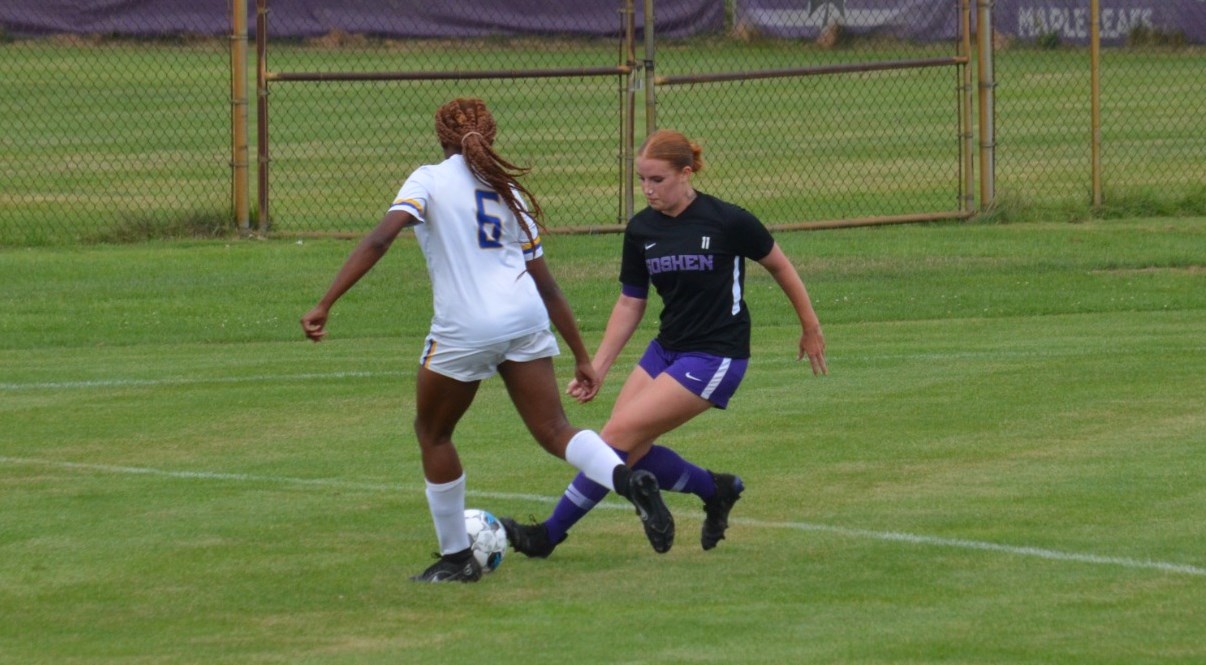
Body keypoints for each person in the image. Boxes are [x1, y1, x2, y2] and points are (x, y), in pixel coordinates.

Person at [300, 98, 674, 583]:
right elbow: (547, 283)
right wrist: (582, 356)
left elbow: (379, 240)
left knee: (433, 433)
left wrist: (326, 302)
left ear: (441, 139)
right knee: (556, 430)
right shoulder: (509, 189)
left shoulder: (428, 180)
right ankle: (628, 480)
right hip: (525, 316)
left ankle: (457, 558)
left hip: (467, 325)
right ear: (491, 138)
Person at [502, 128, 827, 558]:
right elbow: (630, 302)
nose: (647, 189)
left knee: (615, 437)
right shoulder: (641, 230)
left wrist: (810, 326)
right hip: (666, 349)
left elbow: (781, 267)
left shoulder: (727, 220)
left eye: (657, 180)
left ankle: (548, 535)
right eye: (642, 179)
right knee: (627, 451)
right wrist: (597, 366)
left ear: (686, 174)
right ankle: (716, 489)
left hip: (717, 355)